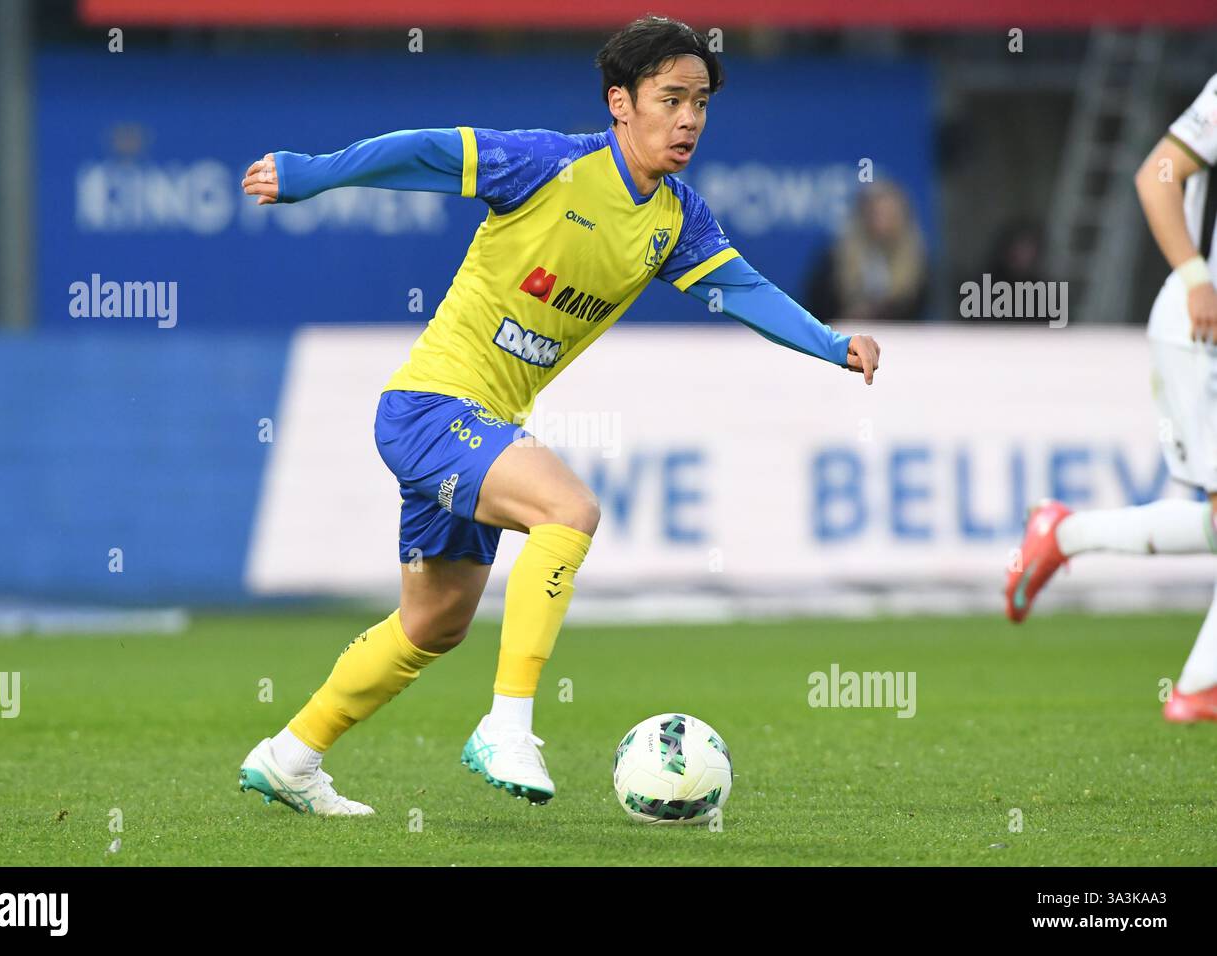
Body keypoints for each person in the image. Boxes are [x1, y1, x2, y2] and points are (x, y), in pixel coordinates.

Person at [236, 15, 881, 816]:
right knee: (568, 509)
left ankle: (291, 757)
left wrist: (830, 343)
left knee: (433, 624)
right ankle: (506, 726)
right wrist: (313, 173)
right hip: (431, 408)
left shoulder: (676, 219)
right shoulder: (549, 164)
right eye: (670, 99)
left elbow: (743, 288)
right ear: (620, 102)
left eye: (701, 103)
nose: (688, 120)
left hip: (476, 424)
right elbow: (429, 150)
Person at [1005, 73, 1217, 723]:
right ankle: (1198, 690)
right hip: (1200, 329)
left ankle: (1065, 534)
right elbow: (1157, 174)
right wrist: (1194, 277)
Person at [805, 180, 928, 322]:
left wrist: (879, 312)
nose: (880, 221)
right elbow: (820, 305)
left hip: (900, 337)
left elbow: (917, 308)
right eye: (874, 213)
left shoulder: (916, 263)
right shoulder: (835, 259)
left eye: (887, 214)